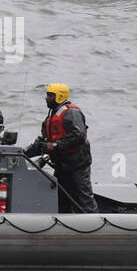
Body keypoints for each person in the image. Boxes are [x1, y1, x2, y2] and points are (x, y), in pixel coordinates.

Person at [25, 83, 97, 214]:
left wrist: (56, 145)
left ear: (59, 97)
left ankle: (93, 224)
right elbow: (43, 142)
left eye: (50, 96)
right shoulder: (50, 119)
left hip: (77, 165)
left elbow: (79, 135)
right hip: (61, 166)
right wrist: (23, 153)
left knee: (83, 198)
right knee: (60, 199)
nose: (47, 98)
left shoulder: (71, 113)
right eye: (47, 95)